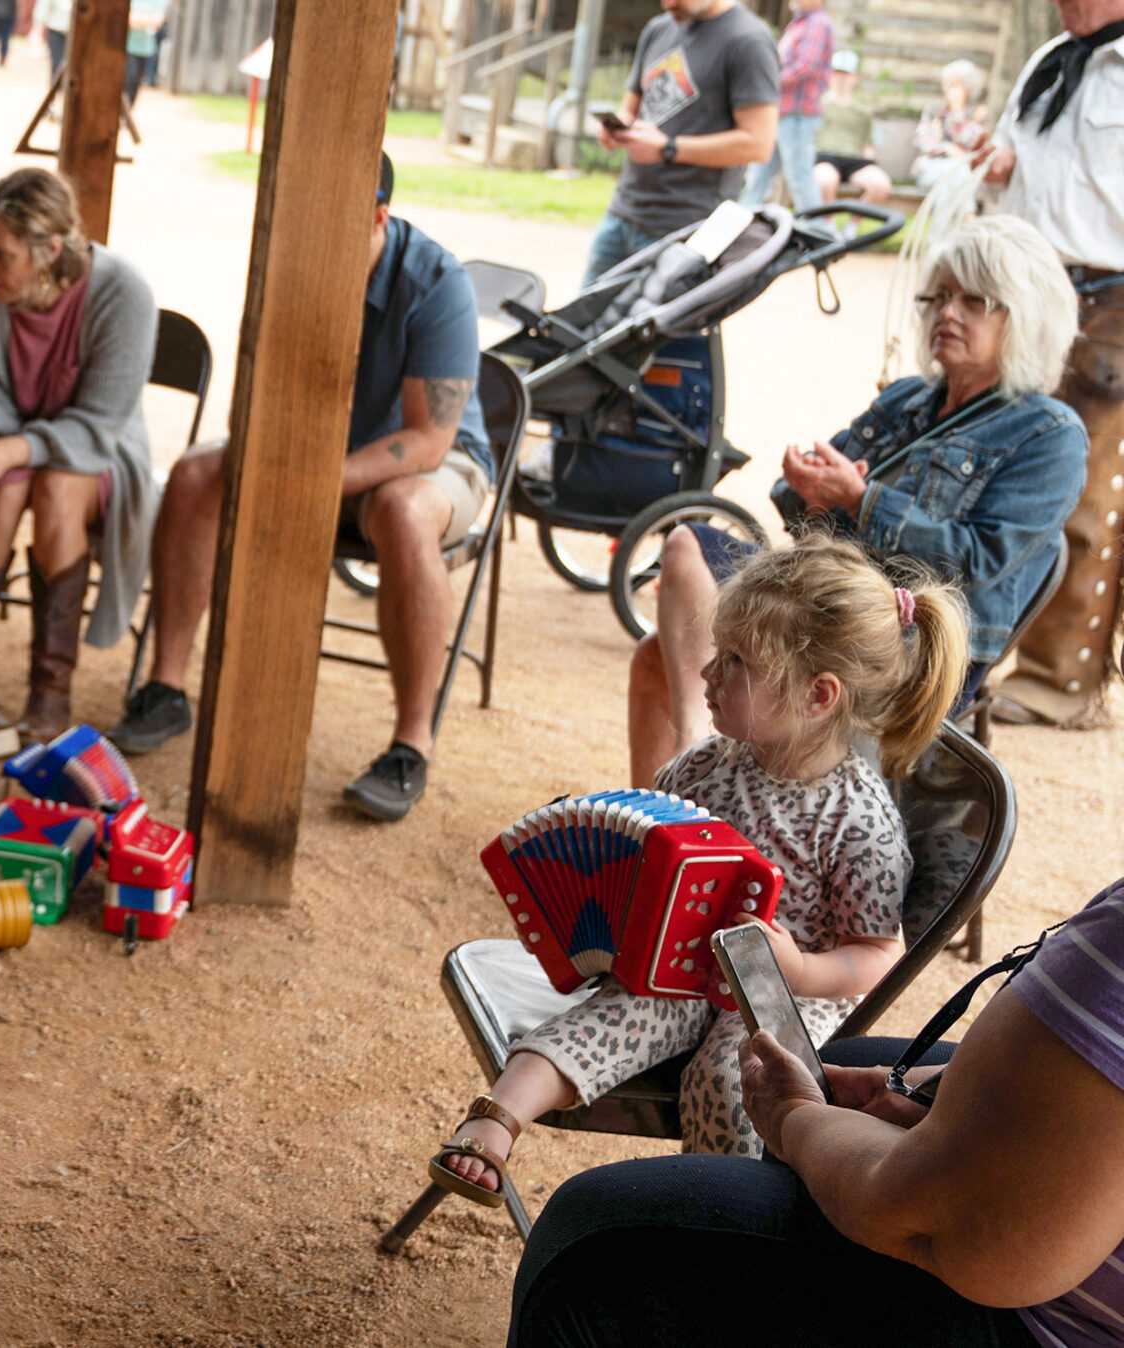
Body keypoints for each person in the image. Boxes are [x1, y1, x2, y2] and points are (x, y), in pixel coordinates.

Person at [433, 538, 965, 1210]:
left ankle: (712, 1215)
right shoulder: (707, 765)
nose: (708, 673)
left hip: (785, 995)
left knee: (739, 1076)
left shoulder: (859, 818)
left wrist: (797, 968)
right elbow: (651, 857)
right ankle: (496, 1118)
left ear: (817, 695)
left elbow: (878, 954)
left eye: (735, 662)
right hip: (681, 968)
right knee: (612, 1013)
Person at [508, 872, 1124, 1348]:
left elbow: (956, 1232)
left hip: (1046, 1325)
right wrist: (939, 1093)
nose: (708, 697)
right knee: (854, 1064)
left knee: (591, 1240)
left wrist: (794, 1119)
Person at [627, 215, 1086, 787]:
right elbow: (801, 515)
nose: (947, 313)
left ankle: (691, 794)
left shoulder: (1050, 433)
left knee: (687, 662)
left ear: (1027, 317)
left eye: (974, 300)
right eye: (940, 296)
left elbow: (980, 561)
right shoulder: (908, 398)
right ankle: (663, 820)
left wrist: (863, 499)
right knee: (683, 554)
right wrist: (813, 492)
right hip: (822, 607)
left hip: (909, 647)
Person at [110, 155, 491, 823]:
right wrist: (279, 466)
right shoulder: (290, 266)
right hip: (316, 458)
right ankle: (166, 687)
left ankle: (410, 744)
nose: (313, 241)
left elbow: (430, 438)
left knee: (403, 513)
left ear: (380, 218)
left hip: (429, 463)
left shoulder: (437, 281)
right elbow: (251, 408)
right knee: (199, 473)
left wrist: (316, 483)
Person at [0, 168, 158, 743]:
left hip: (99, 451)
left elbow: (100, 426)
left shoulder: (125, 293)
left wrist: (13, 448)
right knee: (6, 483)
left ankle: (50, 688)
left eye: (0, 254)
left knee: (56, 485)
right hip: (8, 446)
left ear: (50, 250)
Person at [980, 0, 1124, 728]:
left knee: (1089, 491)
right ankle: (984, 650)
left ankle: (1059, 680)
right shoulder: (1048, 62)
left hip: (1114, 297)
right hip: (1035, 287)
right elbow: (1016, 160)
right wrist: (998, 162)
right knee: (1016, 471)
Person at [584, 0, 779, 285]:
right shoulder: (658, 28)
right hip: (623, 213)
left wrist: (668, 148)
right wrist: (617, 128)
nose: (668, 4)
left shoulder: (748, 41)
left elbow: (758, 144)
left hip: (687, 229)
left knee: (666, 329)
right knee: (581, 326)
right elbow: (631, 107)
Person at [740, 0, 833, 212]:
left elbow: (805, 67)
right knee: (757, 178)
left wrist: (767, 80)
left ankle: (815, 235)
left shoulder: (817, 23)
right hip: (780, 114)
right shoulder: (799, 23)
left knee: (799, 179)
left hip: (798, 115)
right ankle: (739, 227)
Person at [811, 50, 894, 206]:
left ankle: (852, 227)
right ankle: (829, 225)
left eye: (846, 74)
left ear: (855, 77)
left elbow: (867, 146)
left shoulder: (863, 112)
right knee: (825, 181)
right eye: (837, 73)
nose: (840, 78)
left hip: (854, 160)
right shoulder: (817, 106)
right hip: (824, 157)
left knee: (881, 185)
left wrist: (871, 163)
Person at [909, 59, 989, 191]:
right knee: (952, 172)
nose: (948, 90)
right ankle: (969, 212)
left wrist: (958, 114)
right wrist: (946, 147)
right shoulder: (935, 110)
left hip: (963, 171)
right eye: (947, 84)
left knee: (953, 174)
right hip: (930, 166)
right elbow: (922, 140)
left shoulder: (975, 115)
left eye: (955, 85)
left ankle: (965, 213)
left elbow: (973, 144)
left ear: (968, 88)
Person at [124, 0, 169, 105]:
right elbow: (129, 20)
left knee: (136, 84)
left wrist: (139, 20)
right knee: (129, 79)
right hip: (129, 47)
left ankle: (128, 110)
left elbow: (158, 21)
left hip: (146, 49)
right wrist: (147, 21)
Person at [39, 0, 73, 77]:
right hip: (56, 29)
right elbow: (44, 7)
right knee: (56, 63)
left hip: (76, 32)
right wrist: (39, 28)